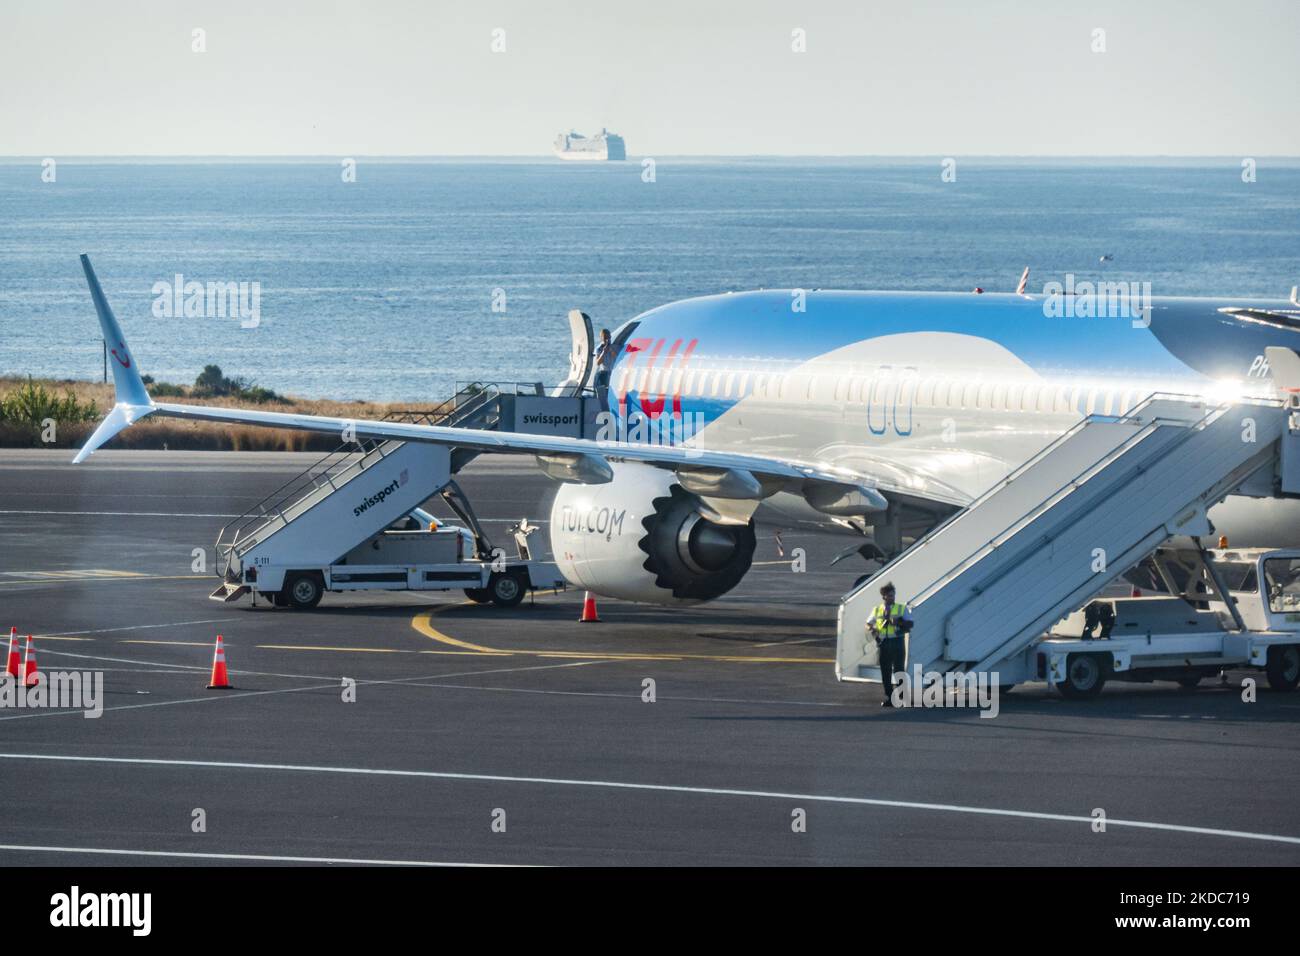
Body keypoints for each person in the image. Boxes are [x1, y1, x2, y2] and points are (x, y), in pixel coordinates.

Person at [867, 581, 913, 707]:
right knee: (885, 671)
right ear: (884, 597)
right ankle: (890, 697)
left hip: (897, 642)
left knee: (899, 670)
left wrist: (898, 622)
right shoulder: (877, 609)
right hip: (883, 642)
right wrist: (872, 629)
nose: (892, 597)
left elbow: (910, 624)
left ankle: (902, 697)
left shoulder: (901, 608)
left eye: (893, 595)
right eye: (890, 595)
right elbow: (869, 623)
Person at [593, 328, 613, 406]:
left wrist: (610, 349)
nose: (606, 340)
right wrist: (604, 352)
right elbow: (598, 362)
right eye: (605, 338)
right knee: (601, 393)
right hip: (603, 373)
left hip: (611, 372)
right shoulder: (599, 349)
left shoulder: (613, 347)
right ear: (601, 338)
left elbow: (616, 356)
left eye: (608, 338)